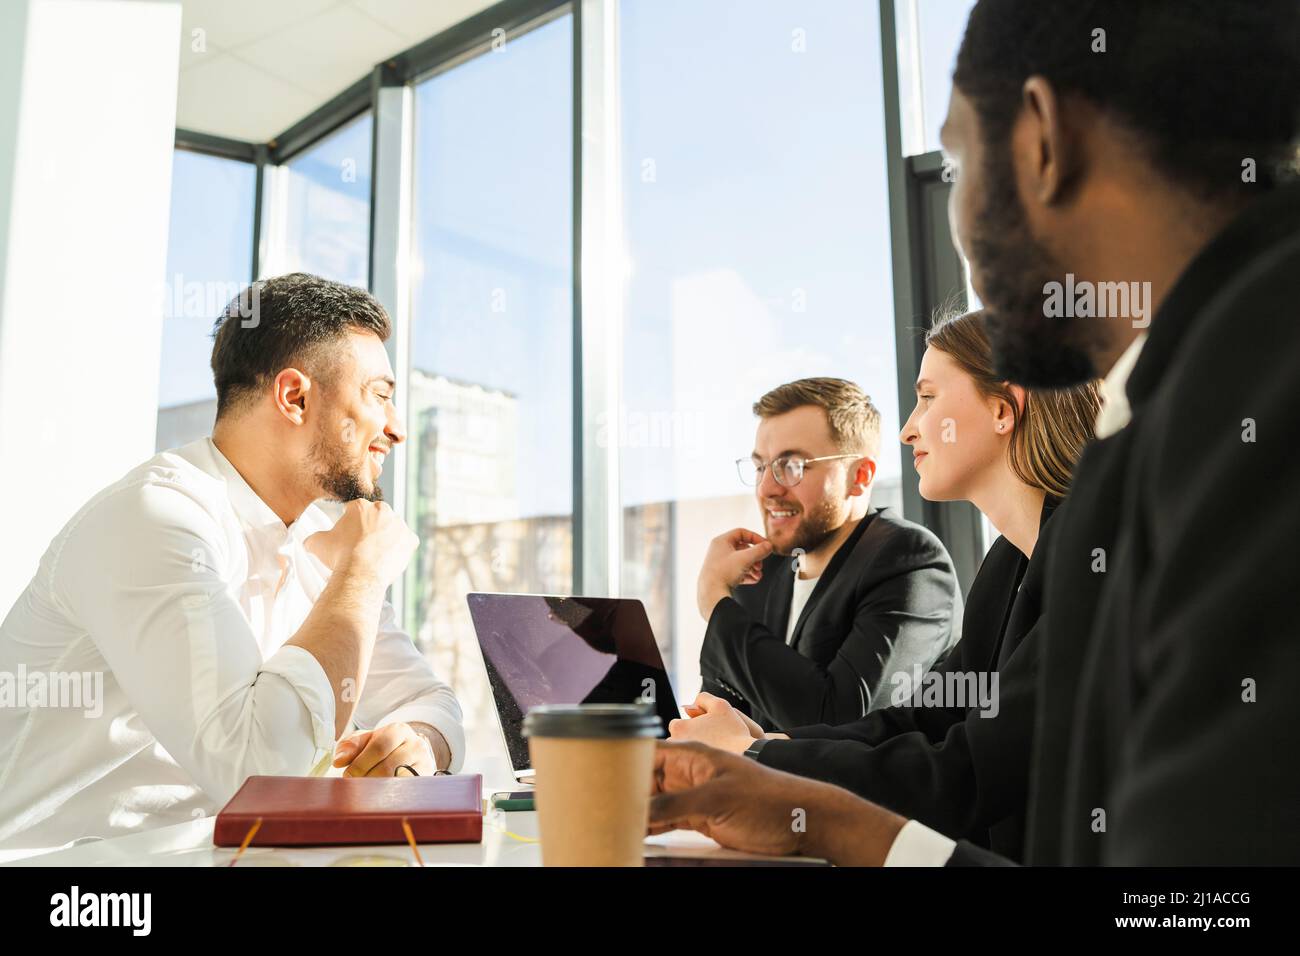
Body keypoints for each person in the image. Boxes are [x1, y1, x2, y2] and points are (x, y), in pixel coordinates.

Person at [650, 0, 1300, 865]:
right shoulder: (1185, 400)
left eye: (956, 161)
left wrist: (830, 818)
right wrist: (798, 793)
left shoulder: (1246, 391)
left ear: (1042, 137)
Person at [0, 273, 464, 854]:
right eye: (379, 395)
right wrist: (364, 573)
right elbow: (259, 775)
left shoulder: (326, 539)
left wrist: (417, 741)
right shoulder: (160, 519)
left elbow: (436, 704)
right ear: (295, 397)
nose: (395, 427)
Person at [671, 310, 1099, 860]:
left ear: (1002, 408)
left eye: (928, 397)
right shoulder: (1005, 566)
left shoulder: (1095, 557)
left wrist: (755, 759)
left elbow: (967, 771)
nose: (908, 429)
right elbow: (920, 719)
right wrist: (762, 744)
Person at [696, 378, 960, 729]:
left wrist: (715, 601)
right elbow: (717, 714)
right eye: (761, 466)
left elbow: (838, 721)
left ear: (860, 476)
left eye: (791, 466)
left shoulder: (910, 561)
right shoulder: (763, 575)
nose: (767, 488)